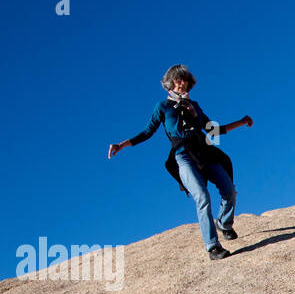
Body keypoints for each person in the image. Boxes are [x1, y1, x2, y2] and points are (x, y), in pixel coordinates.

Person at [108, 65, 253, 260]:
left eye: (184, 80)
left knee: (230, 191)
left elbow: (214, 130)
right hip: (183, 156)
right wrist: (122, 144)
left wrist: (242, 121)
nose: (182, 83)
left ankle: (224, 224)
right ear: (170, 83)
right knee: (202, 196)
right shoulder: (163, 107)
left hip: (204, 152)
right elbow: (147, 132)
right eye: (177, 80)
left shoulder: (195, 106)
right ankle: (213, 247)